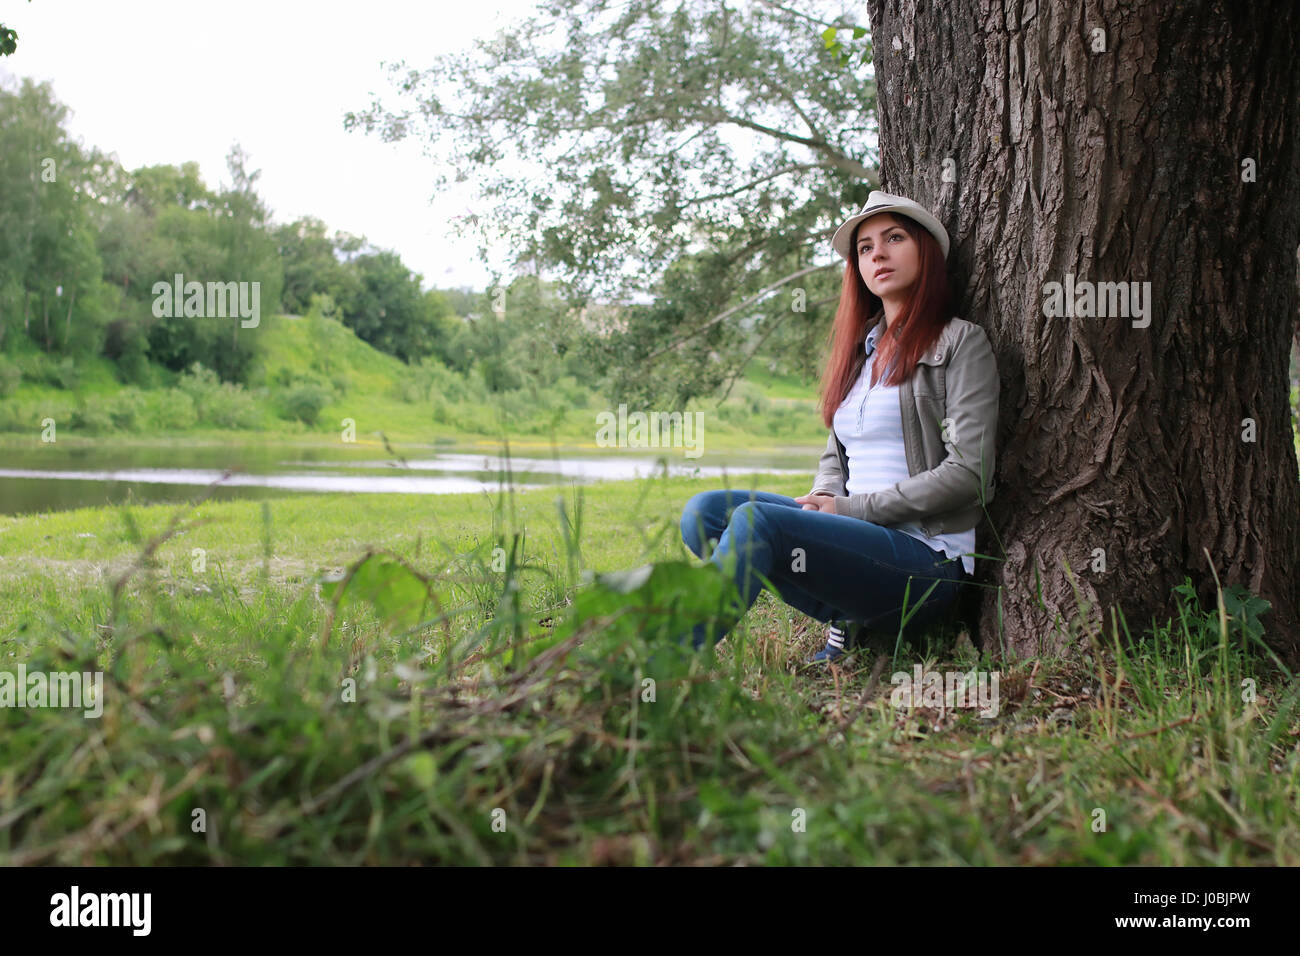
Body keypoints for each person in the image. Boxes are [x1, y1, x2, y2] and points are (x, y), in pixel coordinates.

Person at [676, 191, 1000, 663]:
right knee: (704, 512)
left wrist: (849, 510)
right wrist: (824, 502)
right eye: (865, 248)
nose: (878, 255)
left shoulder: (960, 343)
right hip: (855, 533)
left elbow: (970, 473)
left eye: (894, 239)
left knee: (756, 520)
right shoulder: (861, 352)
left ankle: (673, 656)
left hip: (926, 561)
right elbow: (837, 457)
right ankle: (849, 619)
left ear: (925, 252)